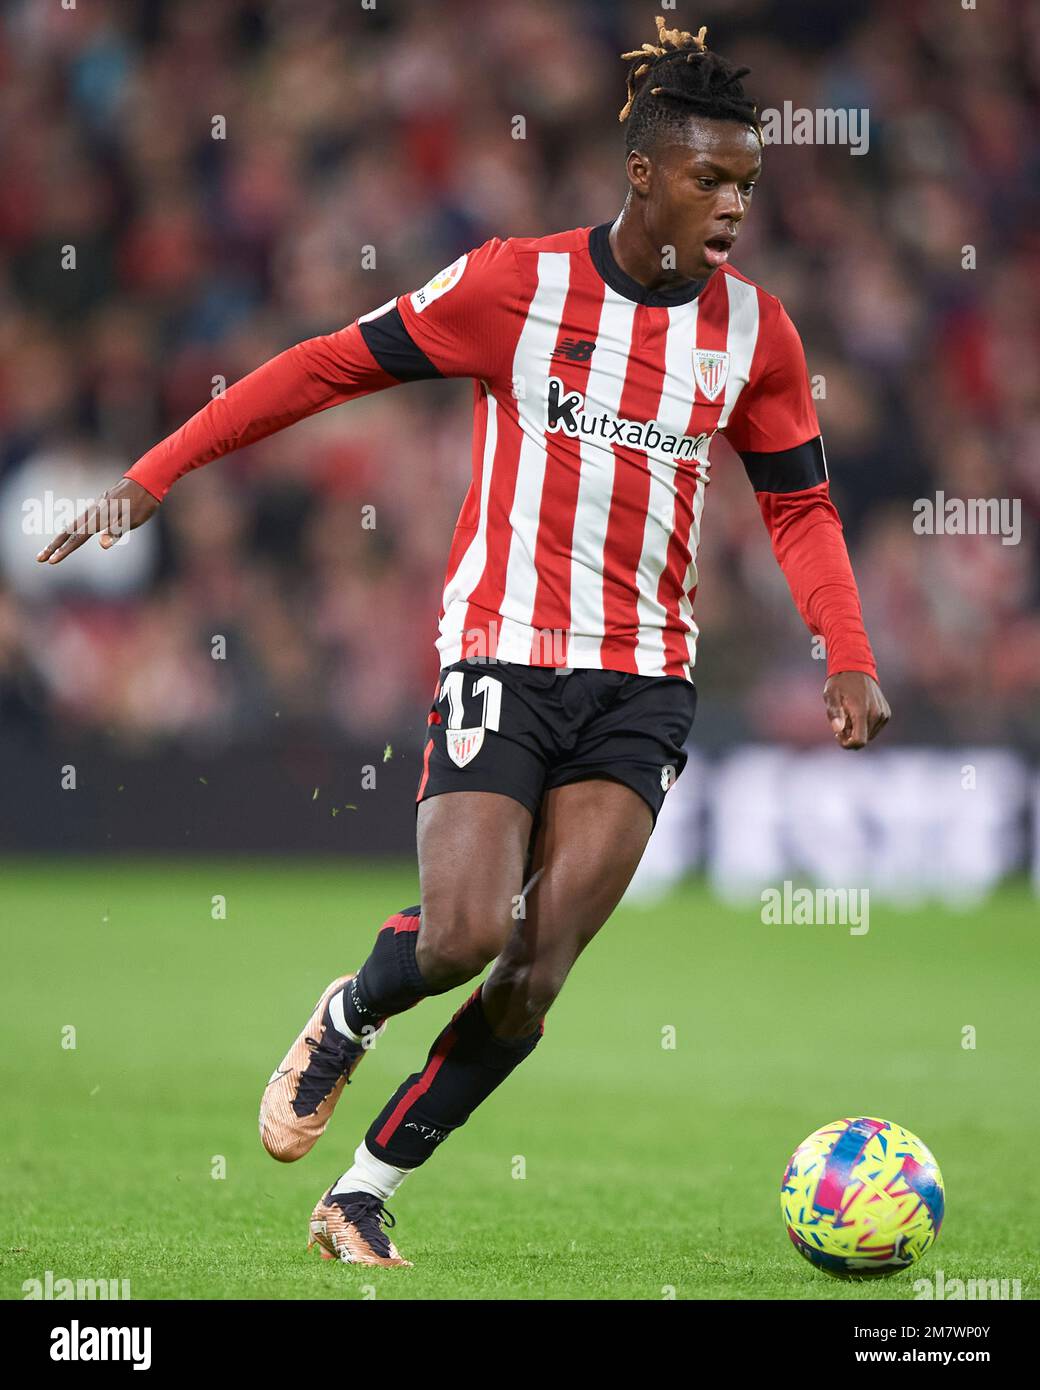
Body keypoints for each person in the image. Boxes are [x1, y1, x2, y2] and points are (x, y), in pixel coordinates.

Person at [38, 17, 890, 1267]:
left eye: (746, 186)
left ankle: (365, 1189)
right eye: (708, 180)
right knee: (463, 935)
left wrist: (846, 647)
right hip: (502, 649)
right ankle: (349, 1009)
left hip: (643, 680)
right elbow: (329, 366)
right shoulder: (513, 284)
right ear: (641, 175)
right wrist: (160, 472)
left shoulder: (756, 333)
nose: (731, 207)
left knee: (535, 971)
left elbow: (799, 504)